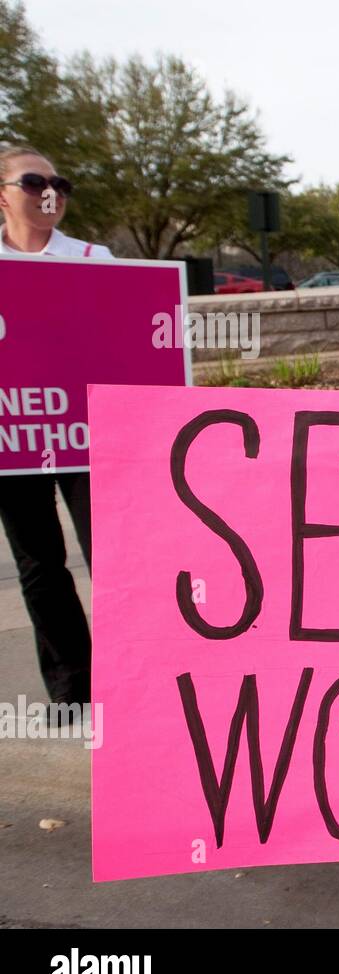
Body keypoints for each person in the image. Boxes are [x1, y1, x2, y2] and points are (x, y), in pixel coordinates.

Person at [0, 144, 112, 717]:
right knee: (40, 567)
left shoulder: (96, 258)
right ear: (2, 193)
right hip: (12, 440)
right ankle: (74, 693)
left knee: (111, 558)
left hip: (89, 438)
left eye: (61, 182)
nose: (51, 190)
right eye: (33, 181)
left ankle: (129, 684)